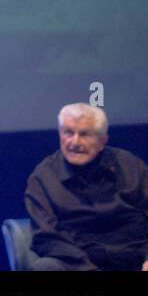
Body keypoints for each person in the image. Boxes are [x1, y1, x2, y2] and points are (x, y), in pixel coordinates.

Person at [24, 103, 148, 271]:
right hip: (79, 261)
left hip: (134, 257)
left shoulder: (130, 165)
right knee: (46, 267)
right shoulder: (43, 177)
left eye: (84, 134)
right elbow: (46, 236)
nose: (75, 142)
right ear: (60, 135)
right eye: (68, 132)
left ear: (103, 141)